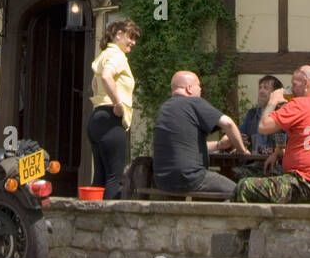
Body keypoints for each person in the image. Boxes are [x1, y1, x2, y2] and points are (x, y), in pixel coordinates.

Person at [233, 65, 310, 204]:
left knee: (245, 186)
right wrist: (280, 153)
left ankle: (243, 226)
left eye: (294, 84)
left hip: (308, 183)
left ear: (305, 83)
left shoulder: (300, 104)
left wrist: (273, 101)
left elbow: (263, 127)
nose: (291, 89)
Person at [153, 71, 249, 197]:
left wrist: (219, 145)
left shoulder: (165, 108)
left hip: (163, 181)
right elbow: (228, 124)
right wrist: (242, 150)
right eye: (199, 86)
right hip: (190, 177)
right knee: (239, 193)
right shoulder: (193, 102)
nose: (200, 90)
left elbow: (185, 146)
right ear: (189, 88)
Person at [87, 18, 140, 200]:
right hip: (111, 118)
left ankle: (92, 221)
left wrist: (101, 101)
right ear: (119, 35)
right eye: (130, 37)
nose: (133, 42)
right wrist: (118, 104)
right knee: (114, 178)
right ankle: (110, 224)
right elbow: (106, 77)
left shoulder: (103, 54)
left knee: (100, 176)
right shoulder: (117, 55)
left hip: (97, 117)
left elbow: (94, 83)